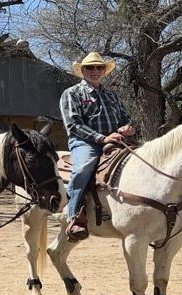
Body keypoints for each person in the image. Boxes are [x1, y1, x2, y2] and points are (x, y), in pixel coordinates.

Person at [58, 52, 134, 241]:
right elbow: (74, 125)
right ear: (82, 70)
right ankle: (74, 215)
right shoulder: (72, 93)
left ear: (104, 71)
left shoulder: (111, 95)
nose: (95, 71)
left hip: (116, 140)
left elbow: (126, 118)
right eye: (90, 67)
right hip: (85, 142)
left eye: (99, 67)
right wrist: (102, 138)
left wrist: (127, 127)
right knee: (83, 168)